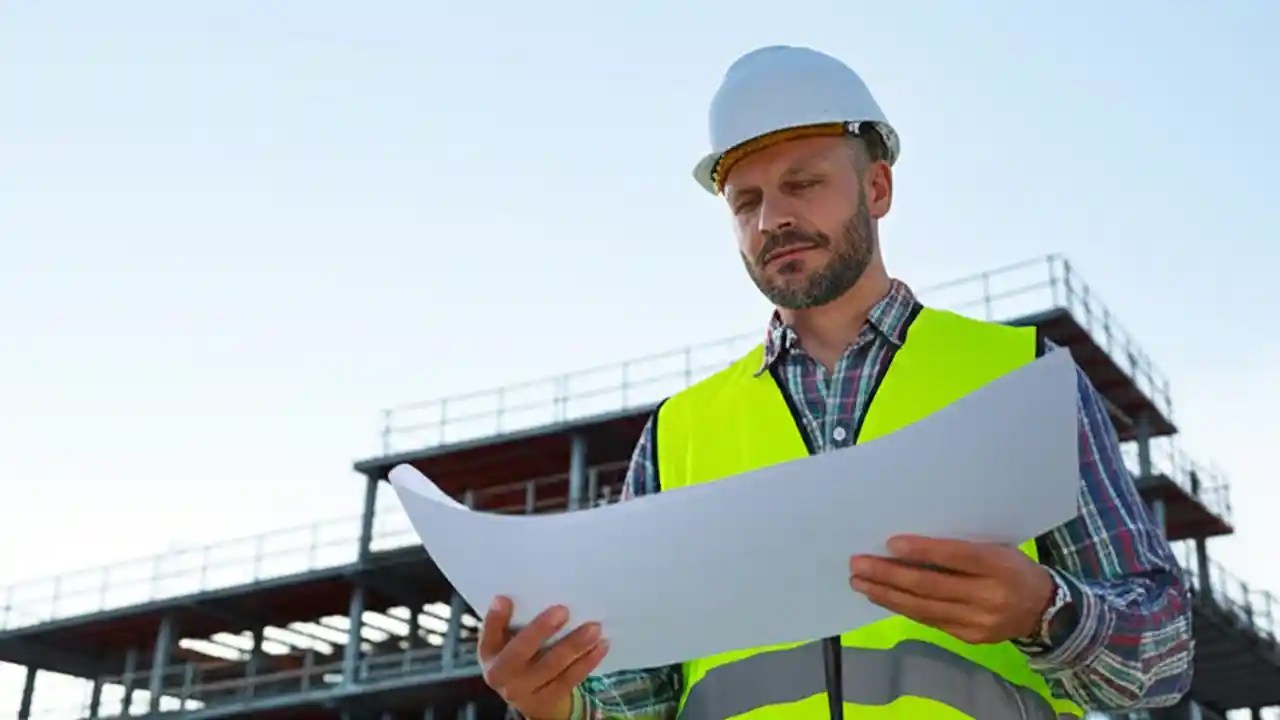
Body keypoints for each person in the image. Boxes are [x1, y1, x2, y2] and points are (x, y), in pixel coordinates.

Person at [477, 45, 1193, 720]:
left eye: (804, 184)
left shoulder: (1022, 380)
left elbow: (1163, 658)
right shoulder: (678, 434)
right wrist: (559, 705)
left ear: (876, 187)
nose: (773, 219)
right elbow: (639, 695)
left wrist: (1046, 611)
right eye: (746, 202)